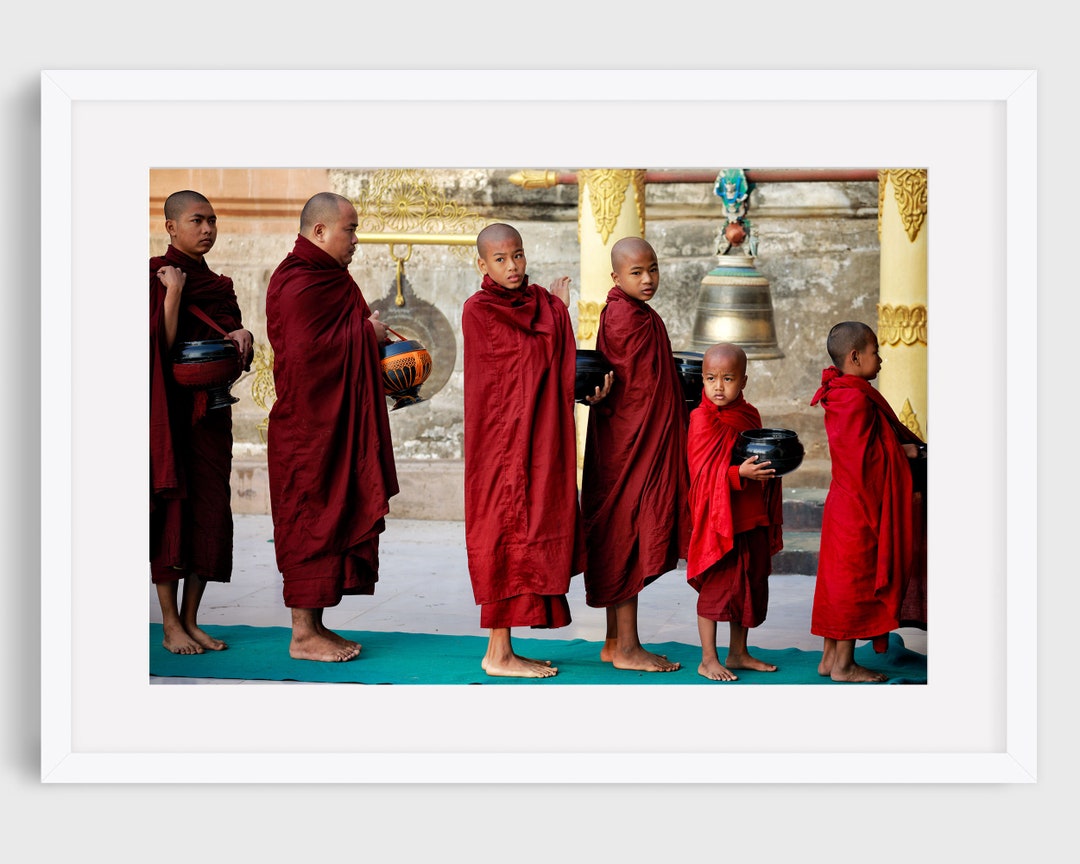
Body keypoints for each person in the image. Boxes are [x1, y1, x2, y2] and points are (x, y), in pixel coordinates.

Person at [462, 222, 611, 678]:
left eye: (519, 255)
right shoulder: (478, 310)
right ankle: (497, 653)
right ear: (483, 264)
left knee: (537, 522)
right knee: (503, 529)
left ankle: (506, 650)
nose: (513, 266)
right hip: (499, 443)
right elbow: (514, 370)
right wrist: (558, 316)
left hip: (540, 438)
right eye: (501, 259)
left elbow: (549, 370)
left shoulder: (542, 304)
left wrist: (557, 313)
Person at [265, 192, 399, 662]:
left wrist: (370, 335)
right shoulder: (297, 281)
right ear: (320, 232)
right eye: (351, 229)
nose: (356, 240)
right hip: (308, 432)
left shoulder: (330, 279)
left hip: (335, 425)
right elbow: (306, 355)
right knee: (309, 522)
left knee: (335, 519)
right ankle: (302, 635)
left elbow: (337, 335)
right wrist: (367, 335)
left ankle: (318, 627)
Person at [150, 190, 254, 654]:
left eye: (212, 220)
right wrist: (172, 292)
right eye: (197, 220)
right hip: (170, 415)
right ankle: (170, 623)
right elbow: (161, 345)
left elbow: (227, 338)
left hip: (212, 415)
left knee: (210, 514)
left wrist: (242, 333)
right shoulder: (156, 274)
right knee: (174, 512)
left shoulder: (220, 285)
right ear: (171, 226)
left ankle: (192, 620)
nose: (208, 229)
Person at [580, 237, 689, 672]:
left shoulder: (636, 313)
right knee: (625, 535)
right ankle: (627, 647)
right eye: (636, 273)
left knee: (618, 534)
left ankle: (613, 642)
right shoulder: (625, 317)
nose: (647, 280)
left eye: (653, 269)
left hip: (628, 442)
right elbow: (636, 392)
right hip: (629, 446)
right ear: (616, 278)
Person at [809, 320, 926, 683]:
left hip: (843, 502)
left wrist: (896, 447)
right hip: (860, 506)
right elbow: (864, 461)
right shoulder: (853, 397)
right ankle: (844, 666)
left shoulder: (844, 391)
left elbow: (865, 449)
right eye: (876, 353)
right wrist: (903, 450)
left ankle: (830, 658)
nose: (881, 359)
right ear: (856, 356)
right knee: (853, 585)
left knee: (837, 580)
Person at [686, 342, 784, 681]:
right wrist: (737, 474)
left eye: (727, 379)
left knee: (749, 585)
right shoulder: (700, 420)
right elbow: (700, 476)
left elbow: (761, 452)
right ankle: (708, 658)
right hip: (720, 520)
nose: (717, 386)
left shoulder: (749, 415)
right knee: (717, 590)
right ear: (701, 379)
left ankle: (738, 652)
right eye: (710, 378)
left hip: (751, 514)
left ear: (743, 380)